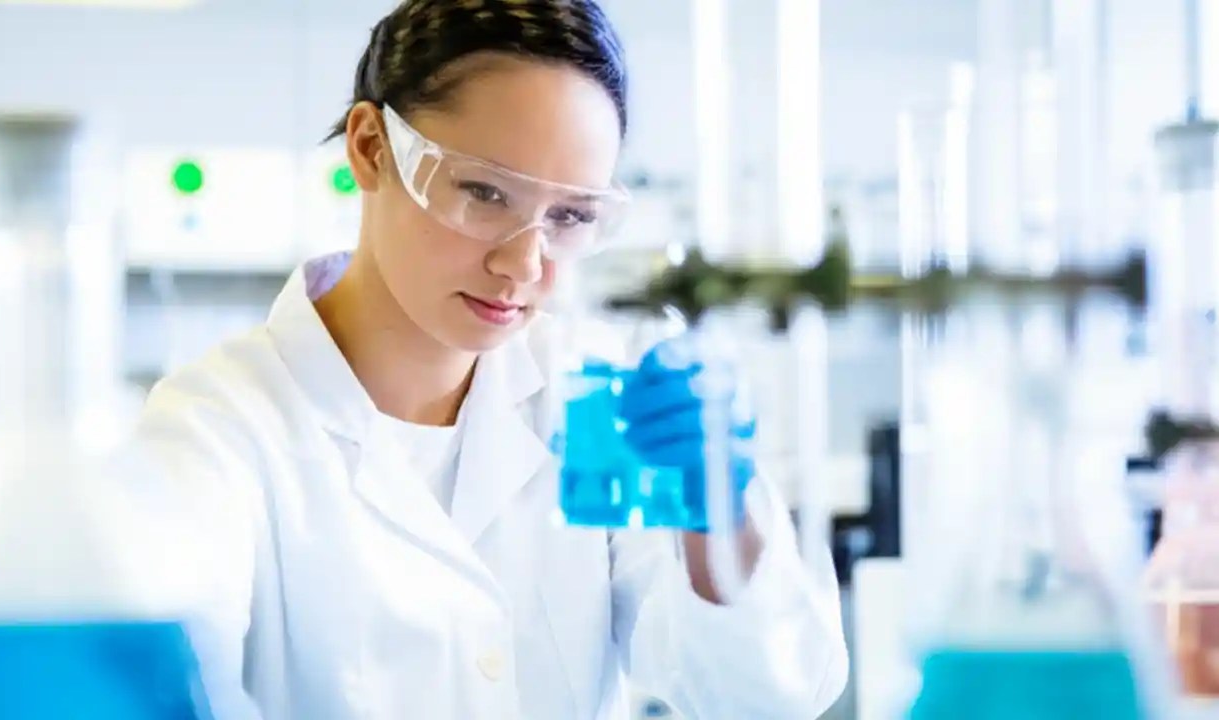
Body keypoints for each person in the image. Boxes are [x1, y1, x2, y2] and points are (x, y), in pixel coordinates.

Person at [132, 0, 848, 718]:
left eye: (569, 216)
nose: (524, 264)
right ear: (372, 148)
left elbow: (767, 700)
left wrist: (716, 510)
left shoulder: (595, 401)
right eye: (483, 192)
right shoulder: (215, 433)